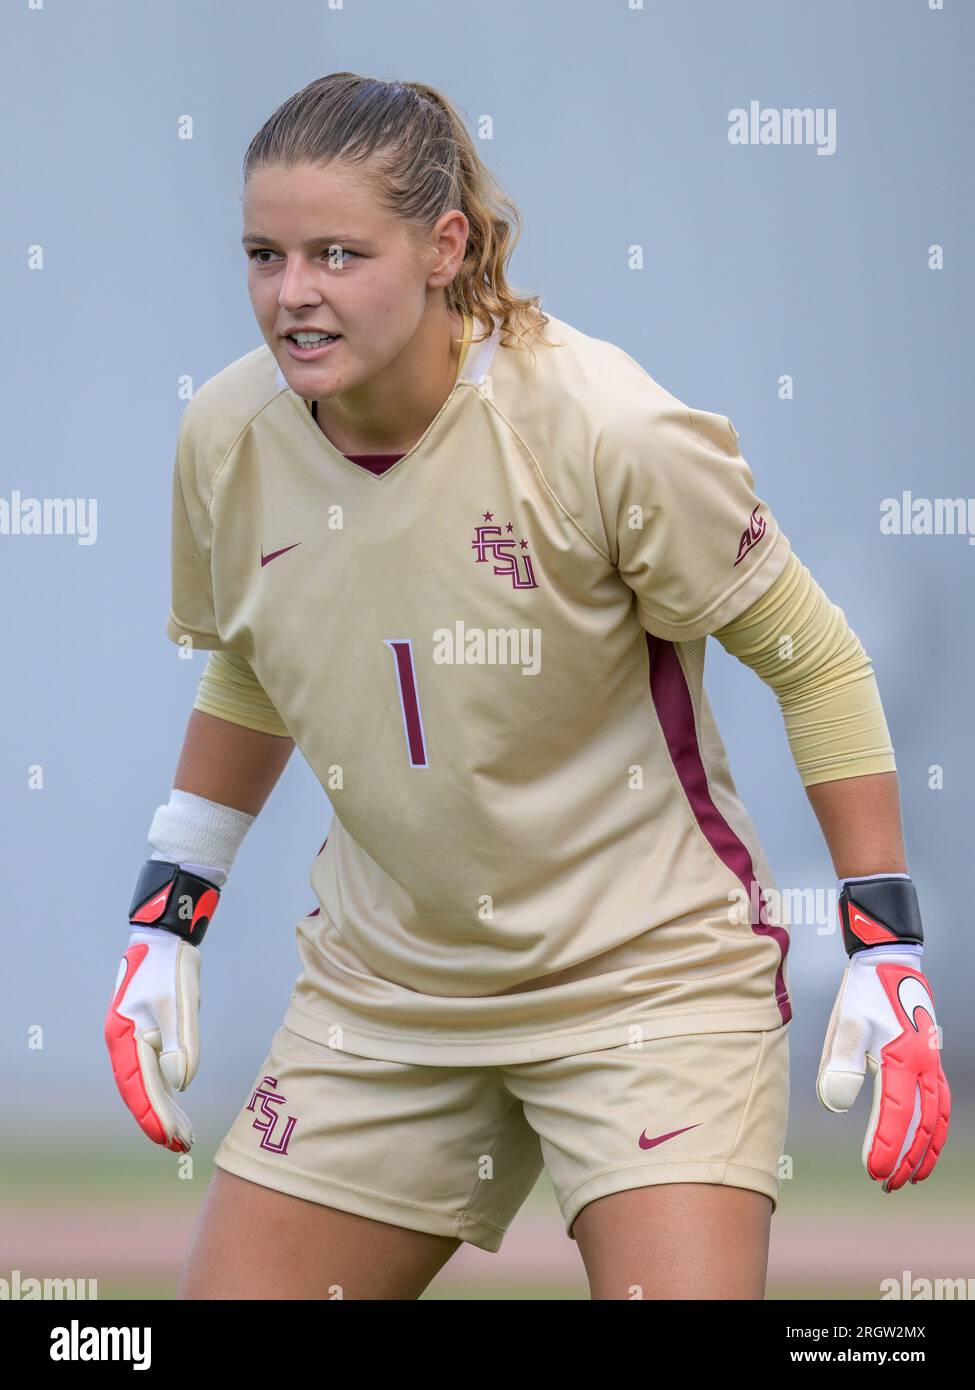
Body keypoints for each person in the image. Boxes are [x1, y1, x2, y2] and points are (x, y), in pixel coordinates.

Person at [105, 73, 950, 1301]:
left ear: (445, 246)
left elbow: (816, 662)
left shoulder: (608, 427)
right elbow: (255, 655)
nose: (294, 293)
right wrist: (168, 904)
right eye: (265, 254)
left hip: (645, 984)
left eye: (339, 252)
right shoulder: (226, 436)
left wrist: (884, 944)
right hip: (383, 994)